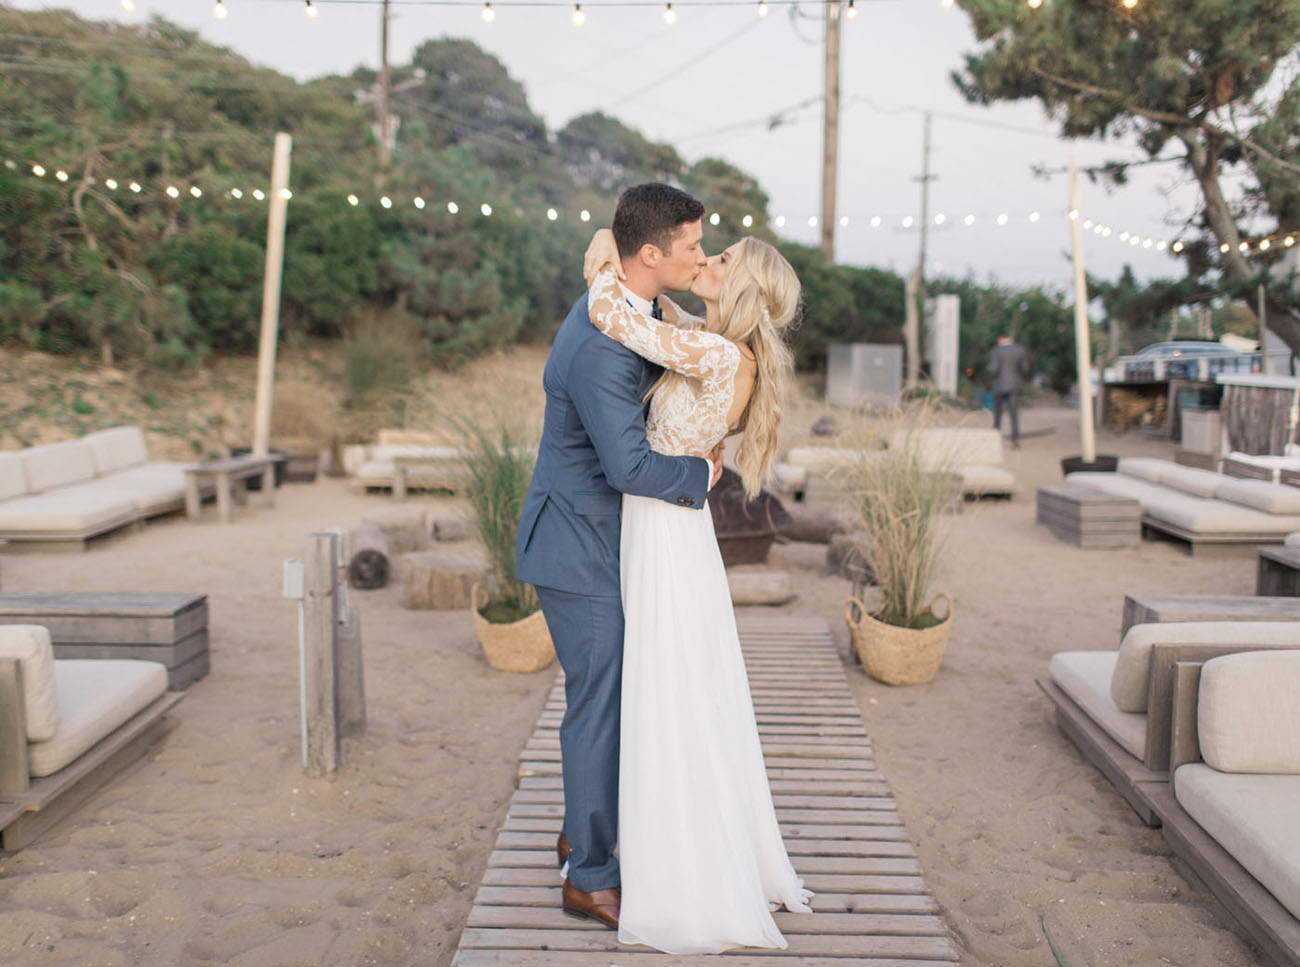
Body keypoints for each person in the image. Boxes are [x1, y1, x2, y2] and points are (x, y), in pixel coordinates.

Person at [577, 220, 813, 954]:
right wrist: (623, 254)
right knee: (683, 687)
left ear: (739, 286)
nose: (706, 260)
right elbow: (663, 313)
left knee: (670, 689)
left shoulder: (716, 352)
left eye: (721, 258)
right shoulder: (722, 345)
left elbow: (616, 316)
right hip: (675, 531)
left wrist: (602, 268)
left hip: (664, 534)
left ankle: (681, 865)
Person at [515, 184, 721, 933]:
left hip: (591, 536)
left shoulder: (621, 301)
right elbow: (630, 466)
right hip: (578, 544)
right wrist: (702, 476)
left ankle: (581, 834)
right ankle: (592, 875)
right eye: (691, 245)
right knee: (599, 707)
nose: (700, 255)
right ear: (649, 254)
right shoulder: (605, 345)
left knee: (606, 698)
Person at [989, 332, 1029, 445]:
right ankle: (1015, 438)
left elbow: (994, 369)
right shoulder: (1019, 350)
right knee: (1013, 413)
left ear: (1000, 339)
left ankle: (995, 435)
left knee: (998, 413)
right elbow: (1025, 369)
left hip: (999, 386)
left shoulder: (996, 351)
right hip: (1015, 386)